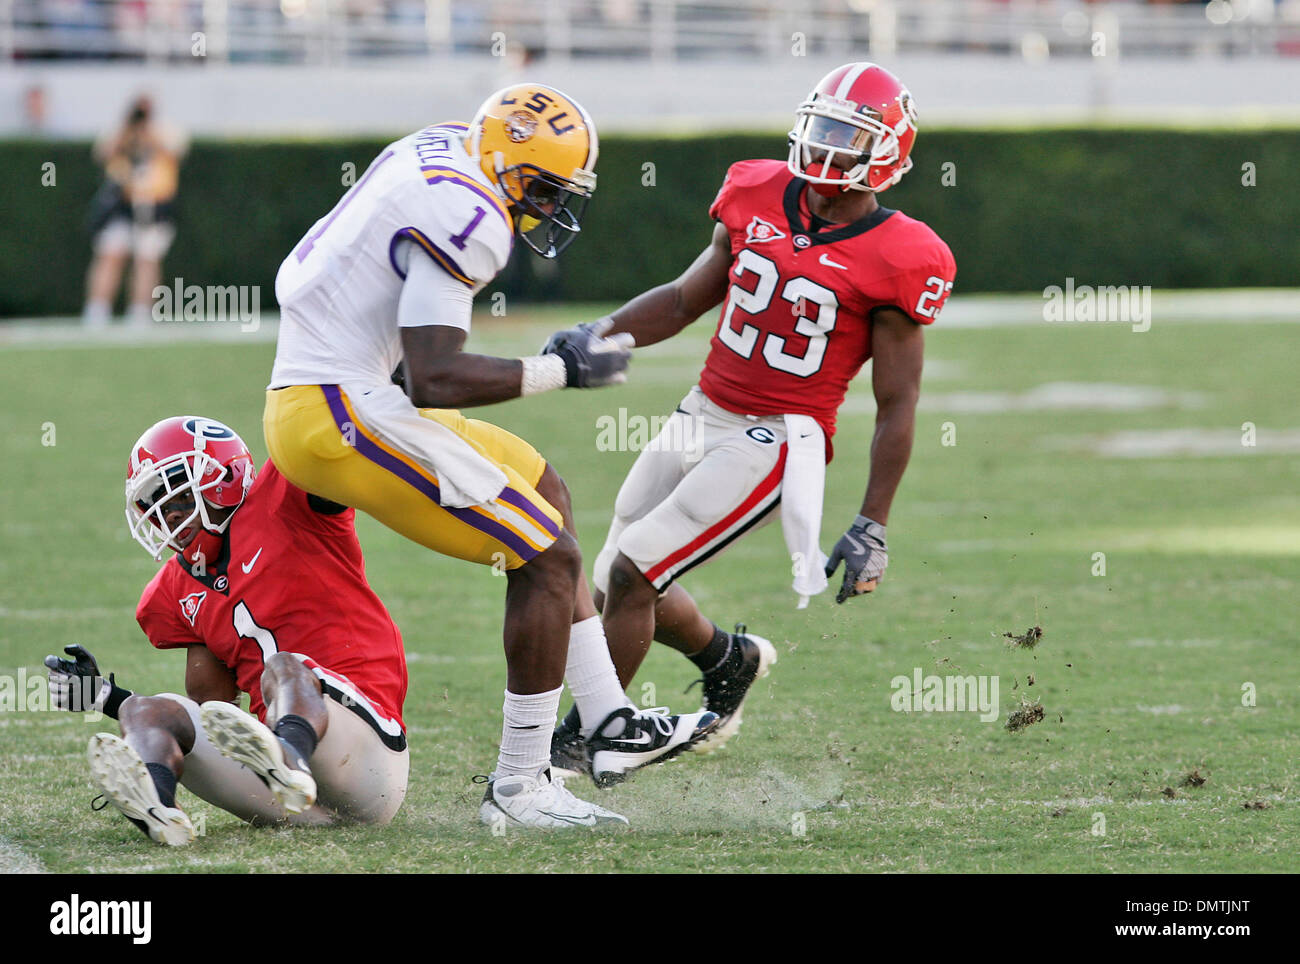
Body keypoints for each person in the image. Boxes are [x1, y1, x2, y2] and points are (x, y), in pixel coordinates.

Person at [263, 84, 718, 830]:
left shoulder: (451, 143)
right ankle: (519, 784)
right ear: (506, 164)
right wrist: (561, 369)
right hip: (337, 409)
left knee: (546, 488)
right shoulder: (467, 216)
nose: (545, 207)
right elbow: (434, 375)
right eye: (539, 188)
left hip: (354, 386)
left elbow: (418, 374)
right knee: (548, 558)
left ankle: (607, 719)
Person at [552, 63, 958, 770]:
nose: (826, 145)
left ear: (886, 155)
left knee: (638, 569)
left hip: (783, 437)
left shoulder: (903, 254)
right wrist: (604, 331)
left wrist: (873, 523)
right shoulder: (757, 187)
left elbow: (897, 405)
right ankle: (728, 660)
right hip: (705, 407)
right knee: (620, 569)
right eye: (822, 124)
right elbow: (684, 300)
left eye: (847, 134)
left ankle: (582, 739)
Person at [46, 415, 410, 845]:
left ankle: (289, 755)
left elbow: (331, 435)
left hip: (365, 756)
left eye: (175, 492)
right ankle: (158, 806)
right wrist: (105, 698)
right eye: (154, 502)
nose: (167, 512)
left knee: (282, 666)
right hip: (286, 796)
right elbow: (211, 707)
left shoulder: (290, 500)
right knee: (150, 710)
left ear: (222, 477)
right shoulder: (175, 590)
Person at [82, 95, 187, 328]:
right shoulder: (121, 131)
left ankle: (140, 311)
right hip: (123, 204)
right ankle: (97, 310)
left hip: (153, 204)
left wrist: (149, 132)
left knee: (147, 257)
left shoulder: (163, 130)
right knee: (110, 253)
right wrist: (127, 131)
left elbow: (177, 150)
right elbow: (102, 153)